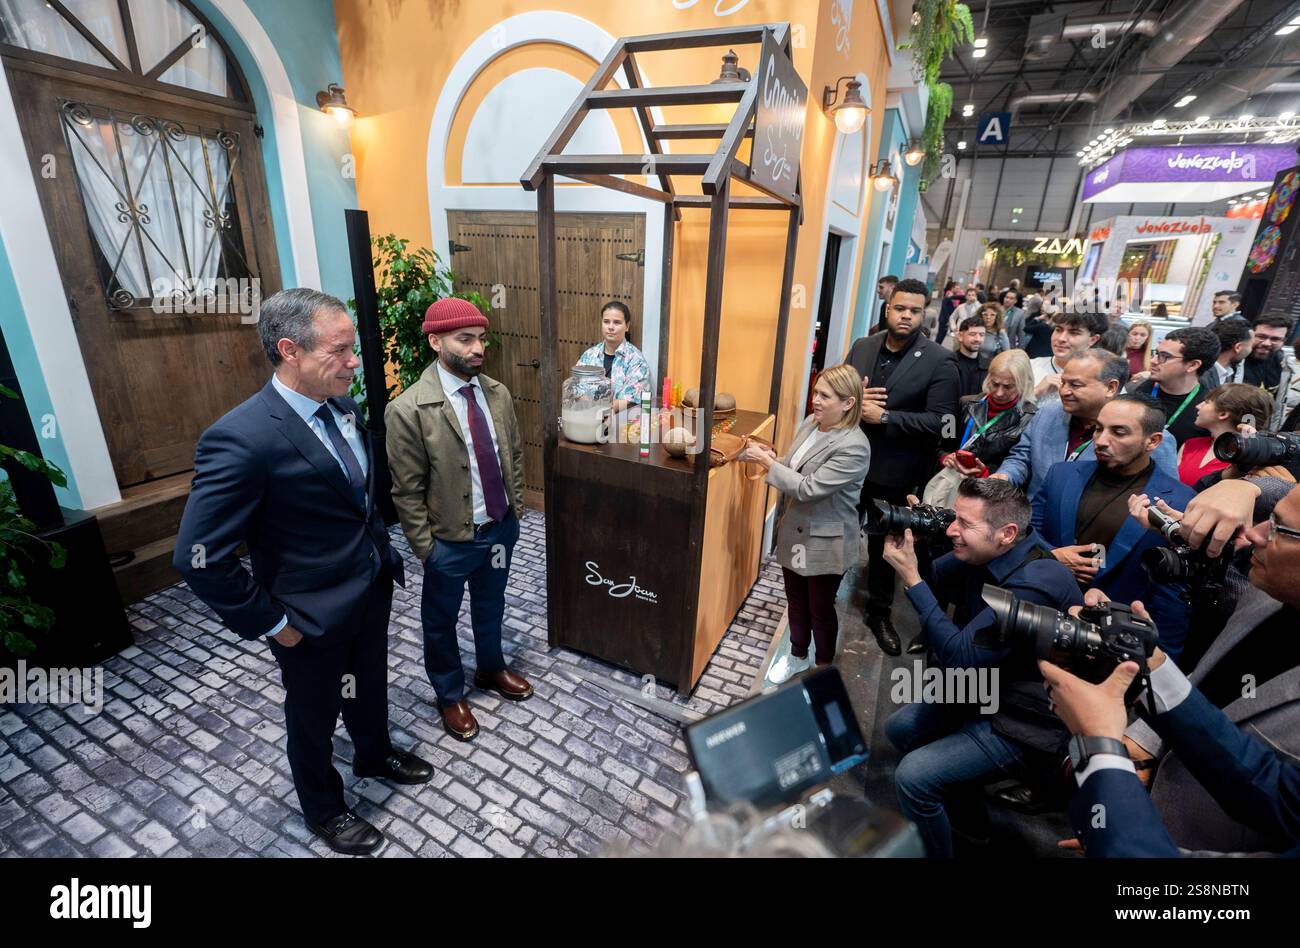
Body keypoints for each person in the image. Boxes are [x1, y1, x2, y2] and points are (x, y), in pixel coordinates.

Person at [172, 288, 431, 856]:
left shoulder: (344, 406)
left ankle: (372, 751)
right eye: (339, 351)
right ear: (289, 350)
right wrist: (271, 624)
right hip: (305, 616)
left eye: (352, 348)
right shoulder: (242, 439)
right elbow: (197, 557)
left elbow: (355, 501)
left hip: (368, 590)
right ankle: (324, 808)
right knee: (312, 717)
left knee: (366, 685)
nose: (354, 362)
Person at [1042, 482, 1300, 857]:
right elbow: (1270, 782)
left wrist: (1102, 749)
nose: (1255, 534)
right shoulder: (1266, 593)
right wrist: (1244, 485)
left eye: (1277, 527)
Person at [879, 478, 1083, 858]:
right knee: (900, 729)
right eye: (954, 518)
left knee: (913, 777)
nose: (954, 530)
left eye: (964, 524)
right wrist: (922, 539)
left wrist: (910, 577)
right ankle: (968, 820)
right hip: (986, 686)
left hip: (1025, 718)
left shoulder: (1033, 585)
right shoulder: (990, 551)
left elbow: (960, 657)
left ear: (1006, 533)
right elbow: (937, 579)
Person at [386, 297, 532, 744]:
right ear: (435, 341)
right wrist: (428, 549)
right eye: (464, 339)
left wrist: (514, 512)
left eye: (480, 339)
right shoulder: (408, 409)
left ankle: (490, 668)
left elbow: (515, 455)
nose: (477, 348)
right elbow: (406, 491)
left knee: (491, 607)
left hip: (498, 530)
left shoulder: (498, 394)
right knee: (440, 621)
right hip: (449, 543)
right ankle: (449, 693)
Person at [846, 277, 961, 656]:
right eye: (900, 308)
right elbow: (838, 392)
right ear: (887, 307)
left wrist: (886, 417)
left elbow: (944, 425)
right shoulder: (862, 346)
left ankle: (878, 614)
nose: (906, 316)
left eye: (915, 310)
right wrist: (854, 398)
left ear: (924, 312)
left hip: (895, 472)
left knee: (883, 549)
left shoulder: (939, 360)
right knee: (841, 532)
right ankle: (828, 590)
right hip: (848, 464)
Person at [1033, 394, 1194, 660]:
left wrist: (1163, 663)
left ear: (1152, 441)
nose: (1101, 440)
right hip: (1040, 617)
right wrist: (1053, 557)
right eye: (1098, 428)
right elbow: (1029, 534)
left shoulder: (1179, 502)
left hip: (1111, 644)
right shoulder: (1060, 475)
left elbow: (1172, 594)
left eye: (1118, 432)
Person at [738, 364, 870, 683]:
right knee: (795, 600)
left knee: (820, 609)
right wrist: (763, 456)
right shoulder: (813, 423)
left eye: (825, 396)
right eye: (815, 392)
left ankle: (823, 666)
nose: (816, 401)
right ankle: (797, 655)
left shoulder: (854, 446)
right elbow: (794, 465)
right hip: (797, 530)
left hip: (827, 540)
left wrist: (767, 463)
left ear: (848, 403)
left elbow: (808, 487)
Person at [993, 349, 1177, 503]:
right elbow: (1021, 457)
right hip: (1033, 523)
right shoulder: (1047, 414)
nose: (1064, 391)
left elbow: (1162, 497)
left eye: (1076, 385)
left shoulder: (1148, 436)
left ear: (1111, 387)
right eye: (1063, 382)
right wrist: (1005, 477)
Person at [1125, 326, 1218, 449]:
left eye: (1164, 356)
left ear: (1192, 365)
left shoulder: (1207, 410)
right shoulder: (1138, 389)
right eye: (1156, 353)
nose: (1153, 360)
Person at [1176, 383, 1274, 488]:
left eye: (1207, 402)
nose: (1198, 406)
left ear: (1223, 414)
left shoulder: (1243, 463)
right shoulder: (1190, 445)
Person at [576, 300, 650, 412]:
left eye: (617, 322)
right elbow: (577, 388)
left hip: (620, 423)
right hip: (588, 420)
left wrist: (598, 410)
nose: (610, 327)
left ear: (627, 326)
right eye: (606, 321)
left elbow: (630, 399)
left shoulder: (636, 360)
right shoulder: (589, 355)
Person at [1230, 315, 1296, 430]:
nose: (1266, 343)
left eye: (1275, 339)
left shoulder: (1284, 365)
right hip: (1230, 426)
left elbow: (1279, 405)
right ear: (1251, 335)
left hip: (1261, 432)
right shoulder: (1235, 361)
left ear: (1283, 341)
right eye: (1261, 336)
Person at [1029, 310, 1107, 402]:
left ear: (1092, 340)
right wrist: (1036, 392)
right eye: (1058, 330)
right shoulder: (1030, 367)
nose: (1061, 338)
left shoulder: (1103, 379)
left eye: (1073, 333)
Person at [1208, 319, 1253, 388]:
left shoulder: (1229, 373)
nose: (1251, 350)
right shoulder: (1202, 375)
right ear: (1238, 347)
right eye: (1251, 345)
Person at [952, 316, 987, 397]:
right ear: (960, 336)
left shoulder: (988, 366)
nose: (978, 339)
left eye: (982, 335)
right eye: (973, 334)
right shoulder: (949, 363)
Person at [942, 286, 982, 351]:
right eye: (969, 295)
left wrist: (976, 302)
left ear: (976, 297)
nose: (971, 297)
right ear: (966, 296)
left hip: (972, 336)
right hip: (959, 334)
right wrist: (954, 328)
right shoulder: (961, 306)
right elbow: (952, 317)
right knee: (956, 352)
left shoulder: (980, 307)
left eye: (973, 295)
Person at [935, 280, 961, 347]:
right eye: (956, 288)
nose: (958, 290)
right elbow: (945, 309)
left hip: (946, 319)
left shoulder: (953, 296)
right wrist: (948, 320)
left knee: (941, 336)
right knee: (940, 336)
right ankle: (935, 348)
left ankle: (936, 347)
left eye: (959, 288)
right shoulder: (949, 295)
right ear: (952, 288)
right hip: (944, 319)